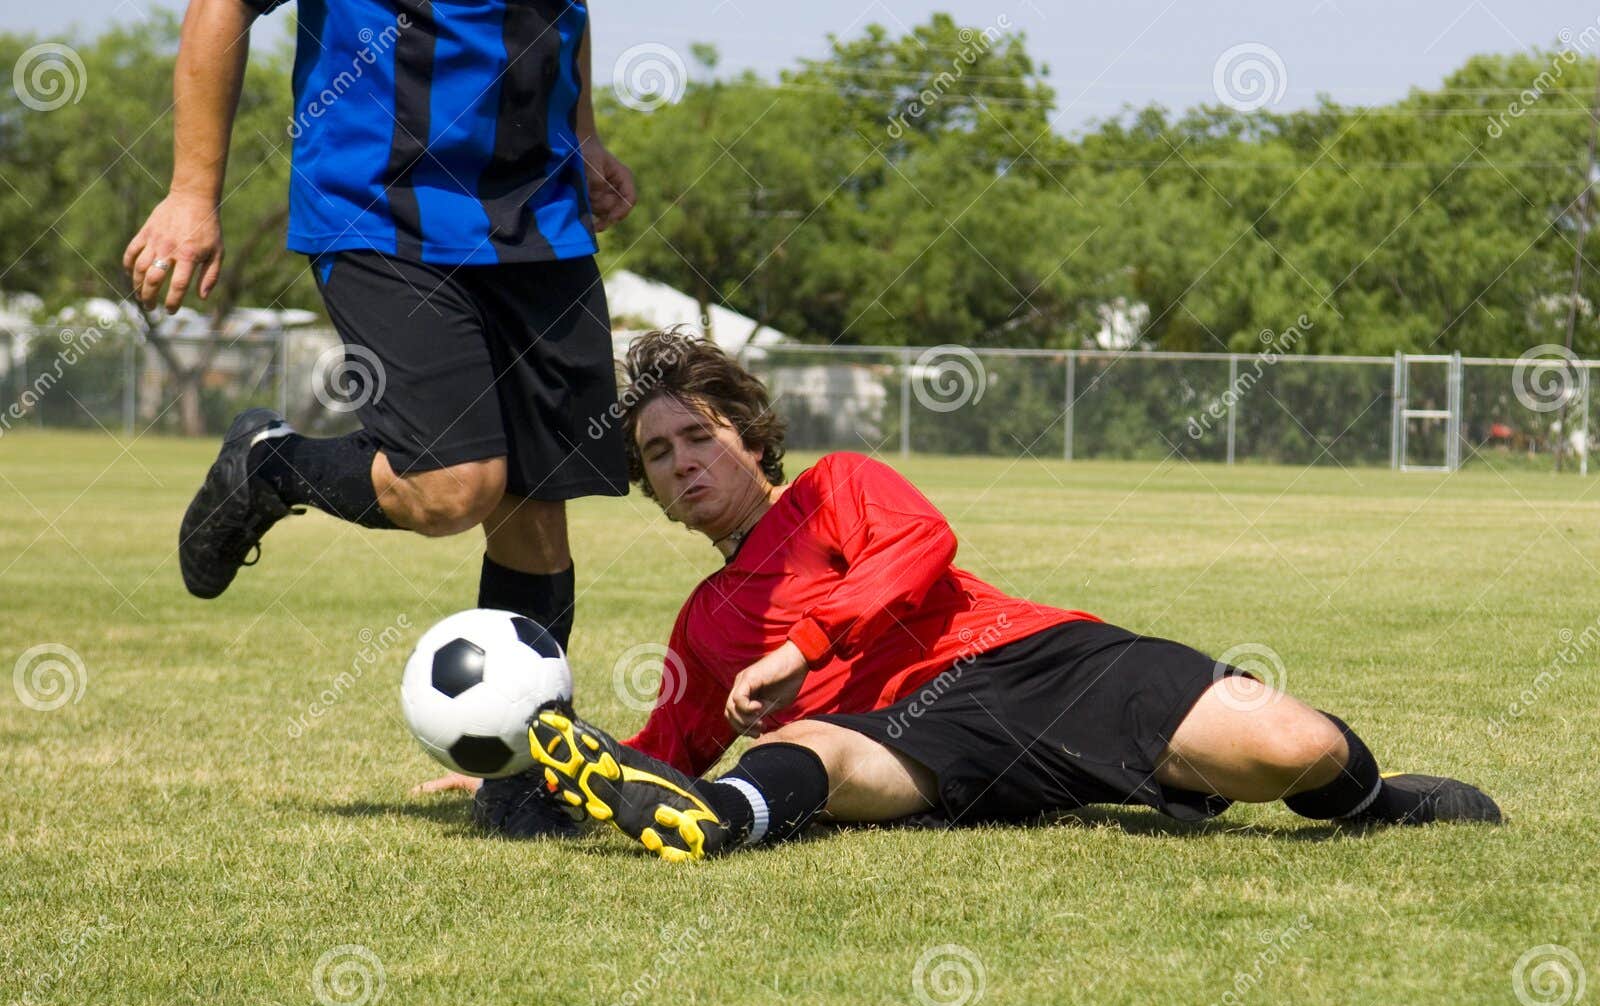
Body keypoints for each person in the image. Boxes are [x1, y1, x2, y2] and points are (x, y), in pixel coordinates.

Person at [424, 330, 1503, 861]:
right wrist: (525, 771)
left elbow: (921, 550)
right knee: (814, 752)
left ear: (750, 437)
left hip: (1029, 662)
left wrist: (801, 642)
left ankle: (1372, 799)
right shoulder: (703, 626)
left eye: (697, 436)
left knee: (1288, 747)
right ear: (652, 492)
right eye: (657, 457)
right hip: (916, 747)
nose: (681, 464)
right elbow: (669, 737)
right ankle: (731, 826)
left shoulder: (842, 484)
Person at [123, 0, 637, 837]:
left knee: (538, 512)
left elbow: (562, 15)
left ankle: (520, 778)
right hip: (384, 210)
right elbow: (221, 8)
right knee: (451, 487)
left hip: (542, 219)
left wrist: (581, 134)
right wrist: (191, 191)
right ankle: (272, 466)